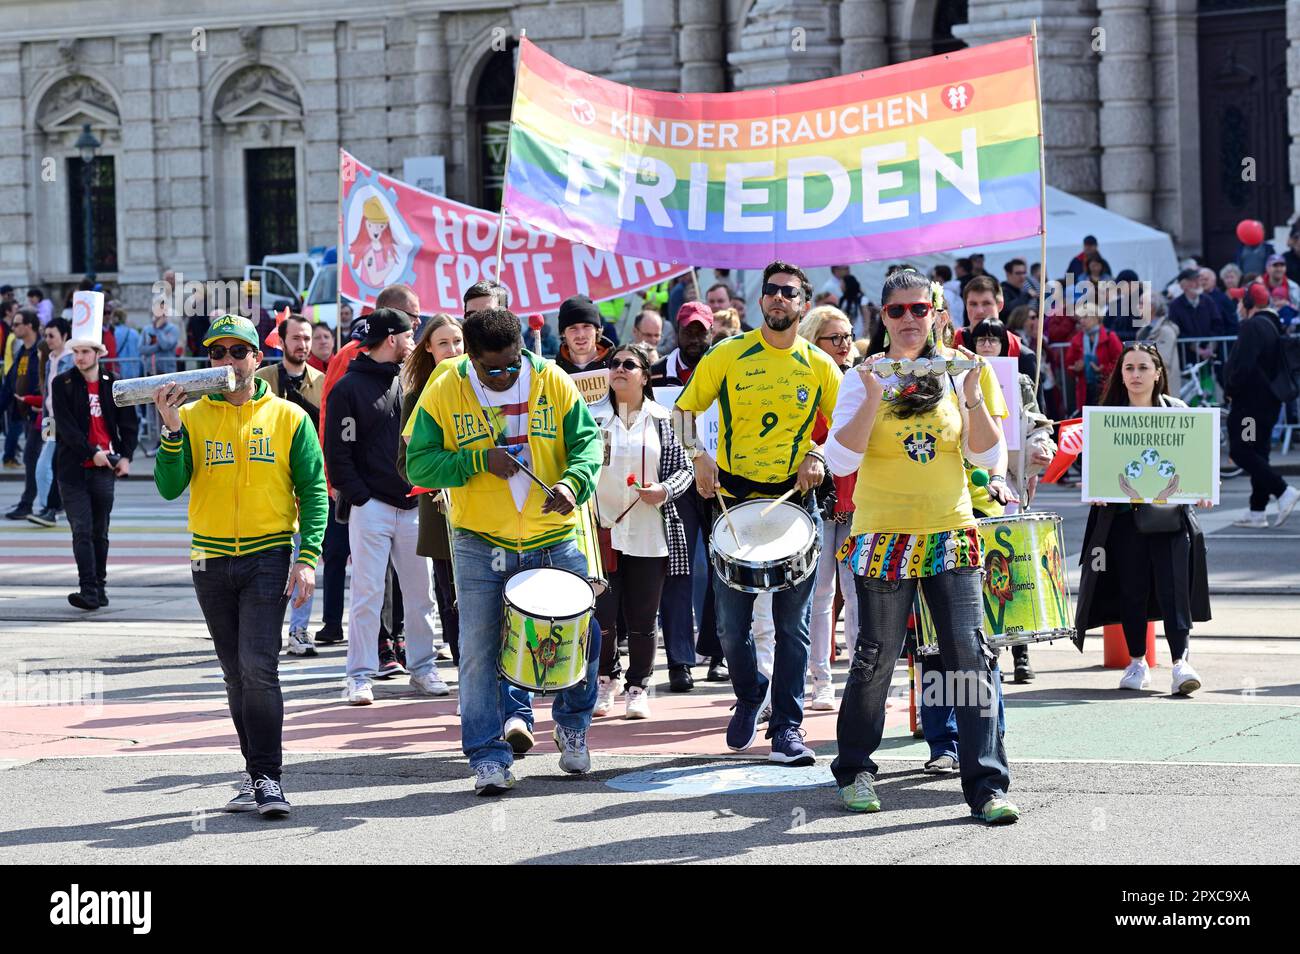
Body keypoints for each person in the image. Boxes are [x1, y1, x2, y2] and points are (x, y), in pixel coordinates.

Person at [825, 268, 1017, 823]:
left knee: (970, 655)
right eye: (896, 311)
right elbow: (841, 462)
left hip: (949, 531)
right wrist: (871, 394)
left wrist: (975, 396)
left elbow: (988, 460)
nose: (909, 319)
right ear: (881, 318)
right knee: (876, 656)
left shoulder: (963, 370)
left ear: (935, 313)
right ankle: (857, 768)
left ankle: (986, 785)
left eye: (918, 309)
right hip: (883, 535)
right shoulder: (862, 376)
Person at [405, 307, 603, 795]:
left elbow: (587, 444)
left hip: (552, 537)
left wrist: (572, 485)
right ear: (470, 357)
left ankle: (571, 722)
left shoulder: (551, 379)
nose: (505, 374)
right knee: (478, 651)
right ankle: (488, 757)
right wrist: (477, 461)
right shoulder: (445, 387)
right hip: (478, 542)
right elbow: (418, 465)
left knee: (585, 634)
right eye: (492, 368)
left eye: (513, 363)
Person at [153, 314, 327, 816]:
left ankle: (270, 779)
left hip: (268, 555)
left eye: (236, 351)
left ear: (256, 358)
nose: (225, 361)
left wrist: (307, 557)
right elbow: (168, 486)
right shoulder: (194, 414)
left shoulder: (289, 418)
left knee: (258, 668)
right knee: (234, 674)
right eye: (216, 353)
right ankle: (254, 776)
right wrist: (170, 431)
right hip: (208, 559)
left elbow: (314, 492)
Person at [676, 260, 840, 765]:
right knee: (729, 626)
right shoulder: (727, 354)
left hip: (795, 503)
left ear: (802, 304)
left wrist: (819, 455)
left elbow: (848, 426)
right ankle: (751, 692)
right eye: (771, 291)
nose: (778, 299)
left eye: (789, 292)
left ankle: (788, 728)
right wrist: (698, 457)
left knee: (794, 626)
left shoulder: (819, 365)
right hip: (734, 501)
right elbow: (684, 412)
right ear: (761, 299)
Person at [325, 307, 450, 704]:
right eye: (410, 334)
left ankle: (423, 667)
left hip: (414, 503)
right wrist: (361, 497)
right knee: (367, 592)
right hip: (372, 506)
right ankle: (359, 675)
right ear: (392, 338)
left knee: (421, 593)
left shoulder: (412, 381)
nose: (414, 341)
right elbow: (337, 452)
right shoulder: (348, 387)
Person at [1073, 343, 1213, 694]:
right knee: (1131, 591)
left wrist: (1204, 486)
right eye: (1129, 368)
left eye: (1142, 368)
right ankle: (1137, 662)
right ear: (1121, 374)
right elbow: (1090, 466)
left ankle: (1181, 663)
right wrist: (1095, 485)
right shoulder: (1106, 417)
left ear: (1158, 373)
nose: (1135, 375)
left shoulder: (1179, 412)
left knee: (1174, 589)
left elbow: (1196, 460)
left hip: (1170, 519)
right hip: (1122, 521)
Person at [590, 343, 693, 720]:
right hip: (603, 530)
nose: (619, 369)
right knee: (602, 617)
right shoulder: (591, 416)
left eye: (628, 365)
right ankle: (606, 679)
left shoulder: (666, 418)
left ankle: (638, 686)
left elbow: (687, 469)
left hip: (650, 531)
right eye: (613, 364)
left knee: (643, 618)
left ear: (645, 375)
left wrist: (664, 491)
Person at [652, 301, 727, 687]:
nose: (695, 337)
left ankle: (717, 653)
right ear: (676, 331)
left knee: (721, 568)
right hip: (676, 479)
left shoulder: (728, 366)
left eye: (701, 330)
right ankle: (680, 659)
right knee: (679, 569)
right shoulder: (656, 373)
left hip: (721, 479)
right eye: (688, 330)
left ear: (711, 331)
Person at [52, 309, 136, 608]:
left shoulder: (114, 383)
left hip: (105, 469)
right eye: (75, 352)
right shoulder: (62, 383)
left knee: (100, 531)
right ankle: (88, 589)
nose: (79, 357)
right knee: (82, 530)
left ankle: (99, 588)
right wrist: (93, 453)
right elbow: (67, 429)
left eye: (85, 351)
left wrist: (125, 456)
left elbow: (129, 422)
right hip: (73, 469)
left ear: (98, 353)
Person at [798, 305, 859, 711]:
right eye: (834, 338)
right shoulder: (806, 381)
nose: (844, 345)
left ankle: (860, 676)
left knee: (857, 595)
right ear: (814, 341)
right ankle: (820, 678)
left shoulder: (863, 379)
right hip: (817, 502)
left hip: (858, 500)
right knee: (820, 595)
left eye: (848, 336)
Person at [256, 313, 324, 656]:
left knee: (305, 561)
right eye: (296, 338)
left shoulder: (323, 382)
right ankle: (263, 629)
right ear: (281, 341)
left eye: (307, 338)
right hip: (270, 486)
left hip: (307, 485)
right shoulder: (263, 379)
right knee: (271, 564)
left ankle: (299, 631)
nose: (303, 345)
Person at [397, 314, 464, 667]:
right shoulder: (417, 398)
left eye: (457, 341)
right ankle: (465, 679)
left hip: (489, 514)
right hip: (442, 518)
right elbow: (405, 464)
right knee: (452, 598)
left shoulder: (483, 390)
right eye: (443, 343)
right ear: (428, 349)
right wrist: (439, 476)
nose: (452, 350)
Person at [1224, 283, 1300, 528]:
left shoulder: (1252, 325)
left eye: (1240, 300)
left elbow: (1242, 366)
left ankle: (1283, 490)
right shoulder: (1272, 324)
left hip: (1249, 405)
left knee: (1241, 451)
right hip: (1268, 403)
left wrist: (1230, 390)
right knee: (1258, 453)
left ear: (1248, 304)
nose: (1237, 305)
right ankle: (1257, 511)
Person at [27, 318, 74, 527]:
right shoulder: (50, 360)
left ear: (65, 336)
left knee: (47, 465)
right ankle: (52, 507)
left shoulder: (72, 359)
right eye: (45, 336)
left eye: (51, 336)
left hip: (65, 421)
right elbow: (48, 394)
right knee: (52, 464)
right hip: (51, 419)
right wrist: (46, 421)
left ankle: (50, 508)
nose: (47, 340)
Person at [4, 309, 42, 519]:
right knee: (42, 459)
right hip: (29, 416)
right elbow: (10, 382)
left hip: (44, 416)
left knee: (36, 457)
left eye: (17, 324)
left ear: (29, 326)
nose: (13, 327)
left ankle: (29, 503)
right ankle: (53, 502)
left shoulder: (41, 350)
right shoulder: (23, 351)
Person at [1066, 302, 1122, 409]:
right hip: (1085, 391)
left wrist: (1103, 369)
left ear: (1097, 318)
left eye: (1085, 317)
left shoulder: (1110, 337)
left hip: (1107, 390)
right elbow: (1069, 365)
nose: (1082, 321)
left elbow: (1120, 363)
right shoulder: (1076, 339)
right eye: (1080, 318)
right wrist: (1075, 368)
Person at [953, 277, 1023, 356]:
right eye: (973, 304)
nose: (979, 311)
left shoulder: (1017, 349)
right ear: (966, 306)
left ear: (1000, 305)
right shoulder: (950, 344)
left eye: (986, 303)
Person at [554, 295, 614, 374]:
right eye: (573, 328)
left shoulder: (618, 366)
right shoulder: (554, 372)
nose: (580, 334)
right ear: (563, 333)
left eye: (586, 326)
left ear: (597, 329)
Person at [1168, 268, 1225, 338]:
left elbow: (1217, 324)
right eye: (1193, 281)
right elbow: (1175, 330)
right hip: (1186, 348)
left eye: (1198, 279)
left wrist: (1211, 342)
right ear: (1182, 286)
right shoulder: (1175, 305)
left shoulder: (1208, 301)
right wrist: (1191, 344)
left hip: (1210, 346)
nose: (1198, 283)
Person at [140, 298, 181, 374]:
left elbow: (165, 345)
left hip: (167, 371)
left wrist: (158, 329)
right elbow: (141, 349)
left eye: (164, 310)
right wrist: (158, 347)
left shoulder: (173, 329)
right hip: (150, 371)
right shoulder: (147, 329)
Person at [111, 307, 143, 379]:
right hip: (135, 371)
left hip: (120, 371)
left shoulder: (113, 332)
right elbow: (140, 350)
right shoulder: (134, 332)